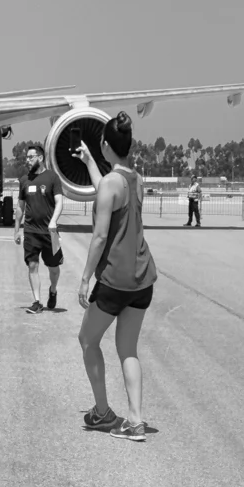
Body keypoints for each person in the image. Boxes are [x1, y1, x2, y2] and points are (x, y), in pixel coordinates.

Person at [76, 113, 157, 442]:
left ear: (107, 146)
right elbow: (108, 190)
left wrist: (84, 279)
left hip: (115, 280)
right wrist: (90, 163)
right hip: (142, 278)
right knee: (128, 348)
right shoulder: (132, 178)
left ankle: (103, 412)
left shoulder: (112, 184)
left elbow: (99, 238)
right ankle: (136, 422)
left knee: (87, 340)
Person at [14, 142, 64, 313]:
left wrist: (54, 221)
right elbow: (20, 207)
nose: (27, 160)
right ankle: (37, 301)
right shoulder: (24, 180)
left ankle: (53, 290)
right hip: (31, 231)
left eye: (31, 157)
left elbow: (59, 202)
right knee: (32, 266)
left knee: (54, 269)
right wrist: (16, 230)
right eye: (26, 157)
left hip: (50, 232)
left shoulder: (52, 178)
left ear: (40, 158)